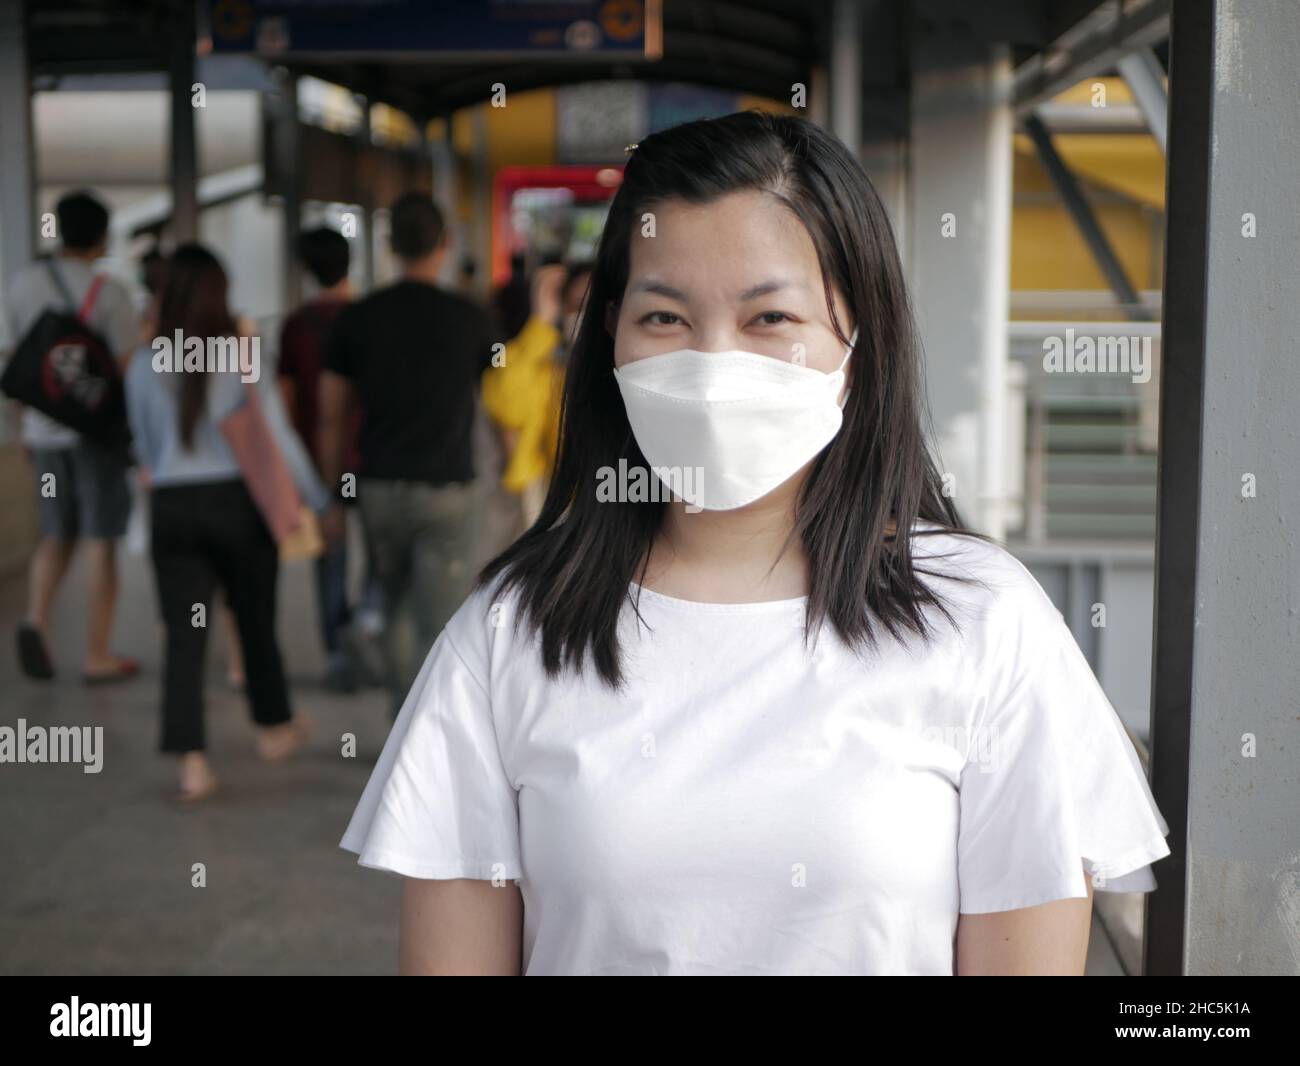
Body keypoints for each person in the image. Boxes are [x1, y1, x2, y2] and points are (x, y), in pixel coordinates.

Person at [339, 112, 1172, 976]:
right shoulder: (511, 632)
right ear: (612, 340)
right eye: (664, 318)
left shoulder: (983, 623)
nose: (711, 364)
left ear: (859, 340)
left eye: (770, 316)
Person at [125, 243, 317, 802]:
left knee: (185, 640)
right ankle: (273, 729)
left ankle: (193, 764)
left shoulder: (142, 363)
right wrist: (318, 502)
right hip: (236, 505)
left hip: (174, 507)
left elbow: (142, 448)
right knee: (255, 619)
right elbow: (277, 438)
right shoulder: (242, 353)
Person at [318, 193, 497, 717]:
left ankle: (404, 719)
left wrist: (334, 493)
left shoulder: (357, 319)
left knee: (392, 600)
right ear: (444, 245)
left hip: (378, 488)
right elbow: (504, 400)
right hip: (448, 487)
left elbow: (331, 417)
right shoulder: (471, 318)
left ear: (389, 244)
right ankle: (423, 735)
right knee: (437, 616)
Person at [7, 190, 140, 683]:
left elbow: (13, 363)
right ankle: (98, 653)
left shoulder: (22, 284)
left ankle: (35, 621)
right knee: (100, 539)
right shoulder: (110, 293)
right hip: (97, 437)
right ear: (102, 236)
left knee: (54, 532)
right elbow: (130, 371)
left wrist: (22, 425)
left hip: (42, 435)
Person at [278, 226, 362, 692]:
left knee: (330, 553)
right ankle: (369, 627)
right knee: (381, 555)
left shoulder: (295, 326)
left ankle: (336, 653)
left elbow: (286, 399)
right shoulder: (368, 316)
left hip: (318, 459)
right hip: (372, 455)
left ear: (306, 270)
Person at [482, 261, 592, 530]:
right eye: (575, 306)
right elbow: (505, 402)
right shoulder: (547, 364)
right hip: (555, 506)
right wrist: (541, 322)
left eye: (595, 306)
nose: (584, 317)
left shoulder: (634, 367)